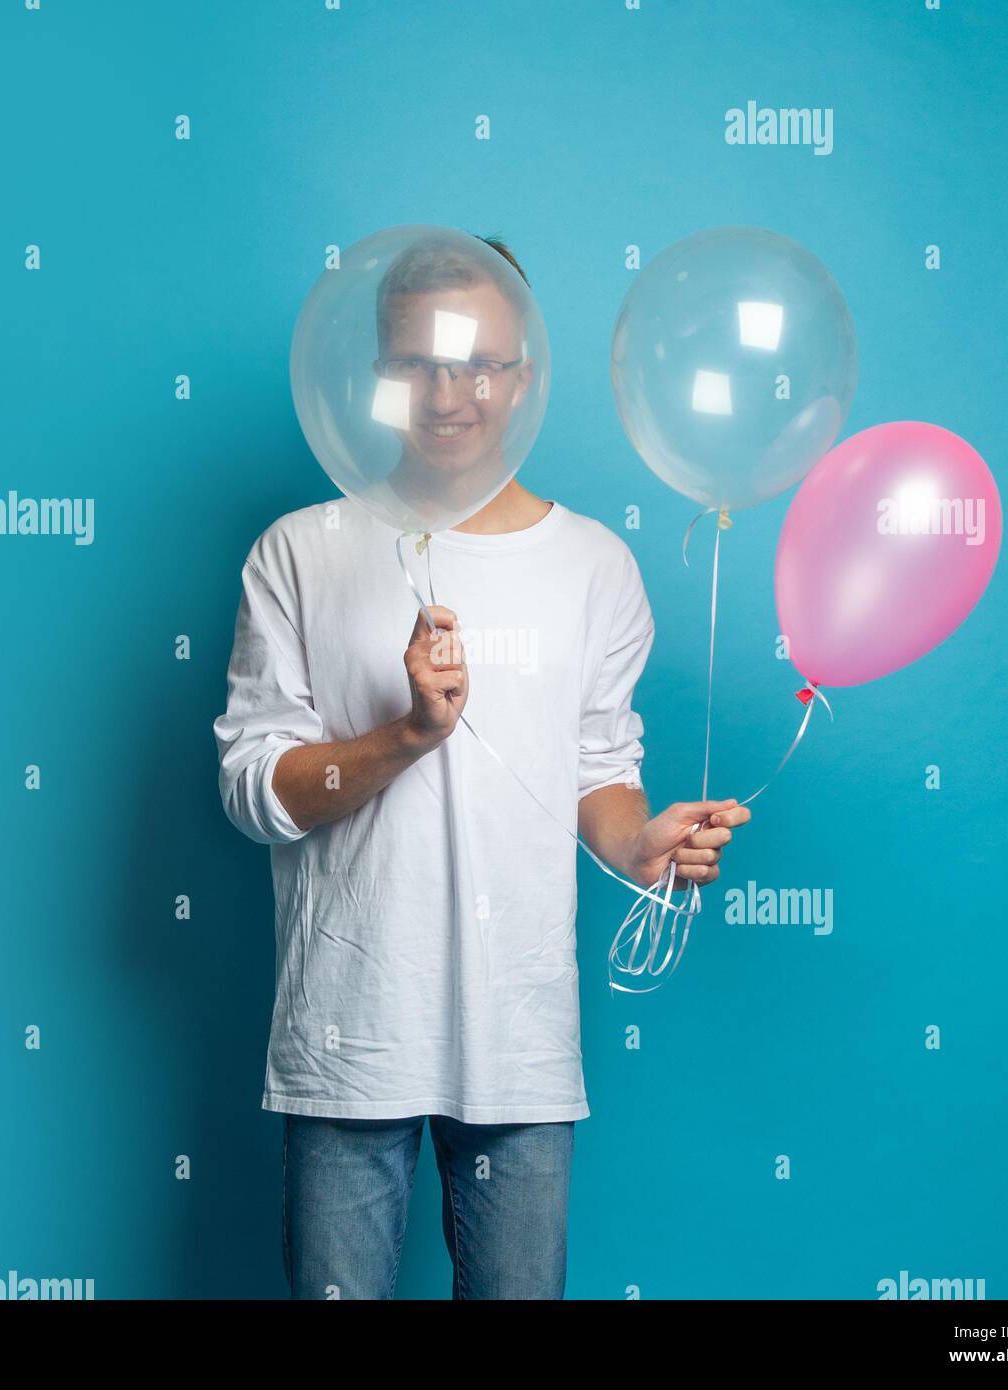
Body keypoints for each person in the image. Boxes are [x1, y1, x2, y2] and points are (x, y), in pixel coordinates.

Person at [213, 235, 751, 1301]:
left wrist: (636, 843)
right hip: (348, 1031)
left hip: (519, 1035)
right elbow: (250, 794)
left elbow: (599, 769)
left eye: (480, 362)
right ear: (375, 373)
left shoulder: (595, 565)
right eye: (416, 360)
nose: (449, 392)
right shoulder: (299, 550)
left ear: (527, 374)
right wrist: (403, 734)